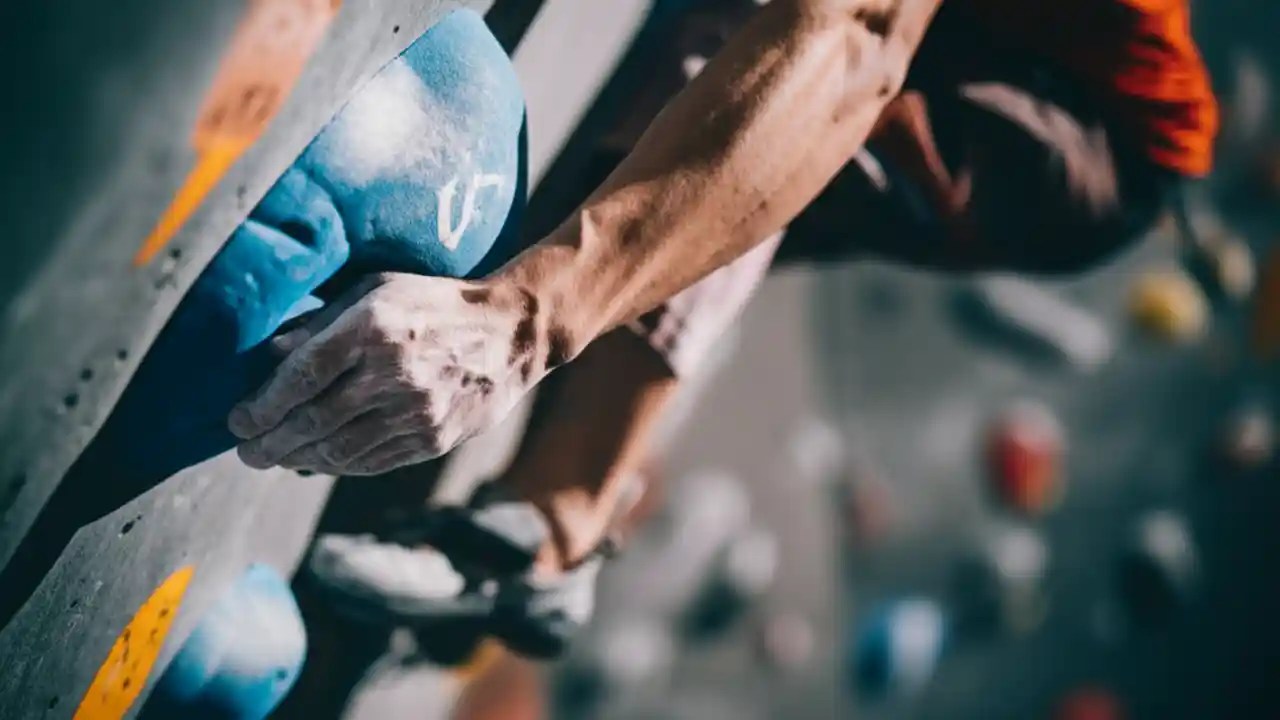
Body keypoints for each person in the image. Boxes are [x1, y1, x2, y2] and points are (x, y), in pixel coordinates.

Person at [233, 0, 1217, 626]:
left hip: (1081, 125)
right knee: (710, 107)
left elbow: (852, 45)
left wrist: (523, 320)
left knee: (751, 85)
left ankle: (550, 522)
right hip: (989, 27)